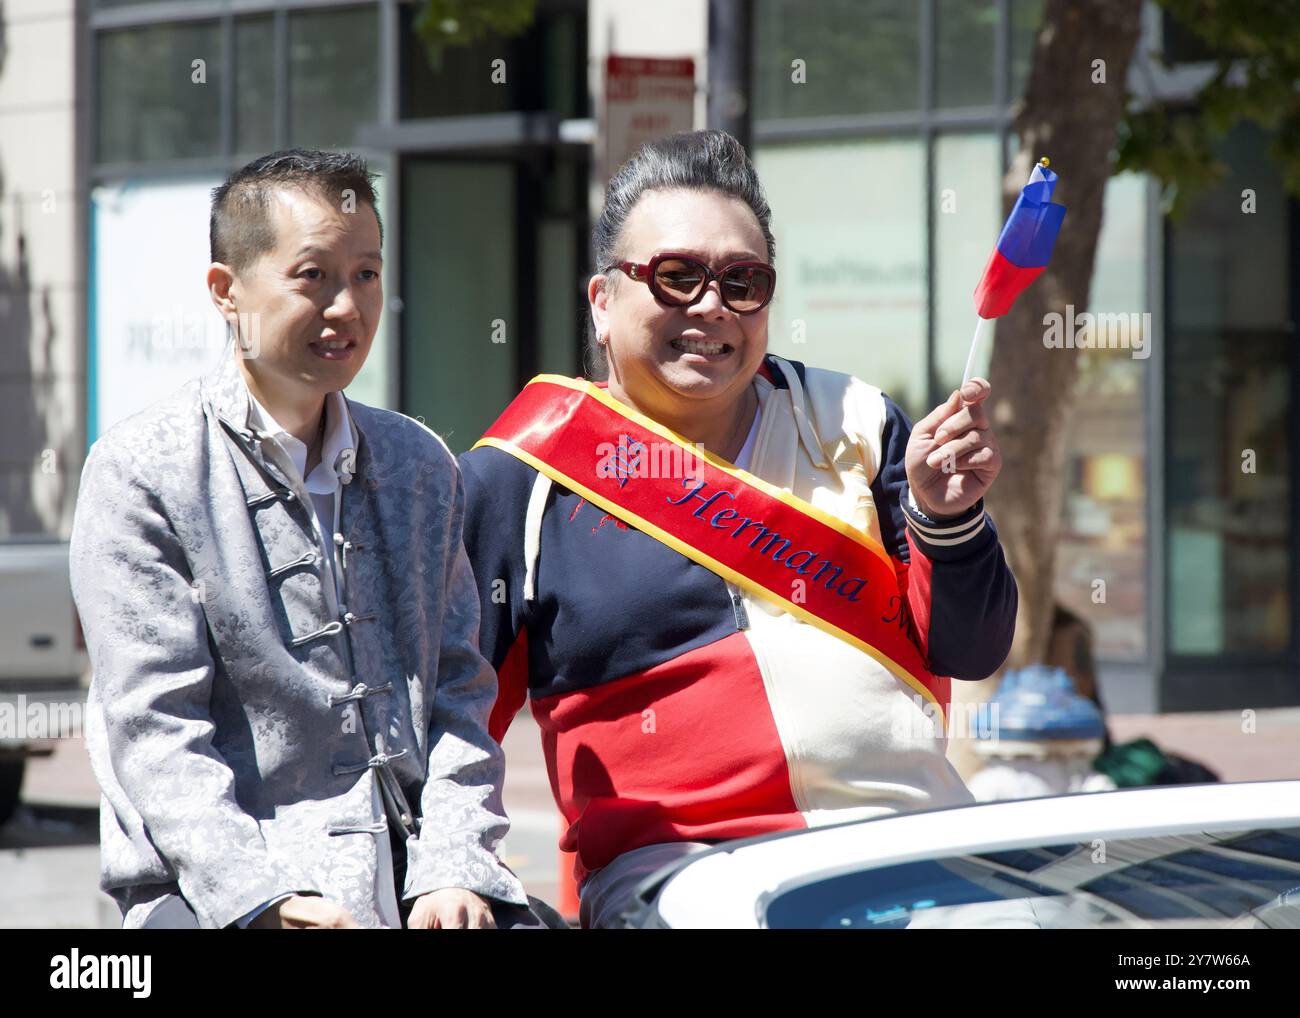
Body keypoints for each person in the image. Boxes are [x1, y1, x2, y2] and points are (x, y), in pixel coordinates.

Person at [459, 130, 1019, 928]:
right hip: (690, 878)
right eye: (676, 277)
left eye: (742, 281)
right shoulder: (521, 478)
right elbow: (451, 717)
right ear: (602, 301)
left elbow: (972, 648)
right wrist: (462, 878)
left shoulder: (856, 423)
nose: (711, 307)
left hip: (913, 848)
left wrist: (948, 518)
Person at [70, 149, 545, 929]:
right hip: (213, 886)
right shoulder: (141, 471)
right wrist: (260, 896)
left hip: (411, 864)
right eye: (312, 276)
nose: (348, 308)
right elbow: (156, 729)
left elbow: (461, 690)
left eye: (366, 275)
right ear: (227, 292)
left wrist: (453, 867)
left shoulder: (419, 463)